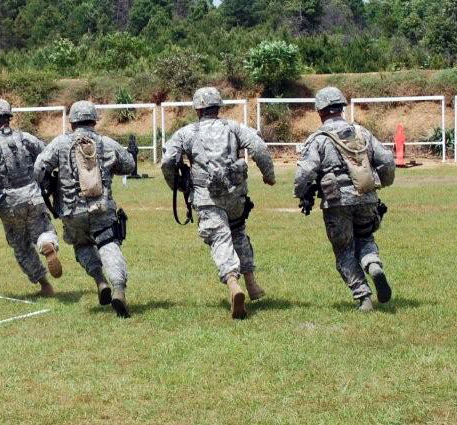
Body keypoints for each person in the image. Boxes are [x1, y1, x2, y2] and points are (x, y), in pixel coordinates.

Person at [160, 87, 275, 319]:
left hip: (206, 198)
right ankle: (252, 283)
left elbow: (167, 161)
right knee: (238, 232)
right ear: (218, 106)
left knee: (220, 238)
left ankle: (233, 284)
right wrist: (268, 175)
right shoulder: (234, 128)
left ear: (198, 108)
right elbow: (259, 147)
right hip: (235, 196)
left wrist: (178, 185)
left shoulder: (186, 133)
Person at [294, 87, 396, 312]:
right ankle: (373, 264)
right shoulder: (362, 133)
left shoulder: (319, 139)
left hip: (336, 202)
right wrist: (384, 183)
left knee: (344, 249)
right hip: (367, 197)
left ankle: (364, 296)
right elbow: (386, 160)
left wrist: (301, 193)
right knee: (365, 236)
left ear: (320, 111)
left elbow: (305, 173)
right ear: (341, 107)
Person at [33, 100, 135, 317]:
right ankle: (118, 289)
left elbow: (39, 169)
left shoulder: (60, 143)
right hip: (102, 208)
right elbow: (129, 165)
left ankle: (99, 280)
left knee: (82, 246)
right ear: (94, 121)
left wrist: (51, 182)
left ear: (72, 123)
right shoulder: (106, 143)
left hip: (72, 211)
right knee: (108, 245)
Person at [0, 99, 62, 297]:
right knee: (43, 231)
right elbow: (47, 155)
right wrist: (45, 181)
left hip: (9, 204)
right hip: (33, 196)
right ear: (9, 118)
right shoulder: (25, 138)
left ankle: (45, 285)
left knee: (21, 247)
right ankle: (47, 245)